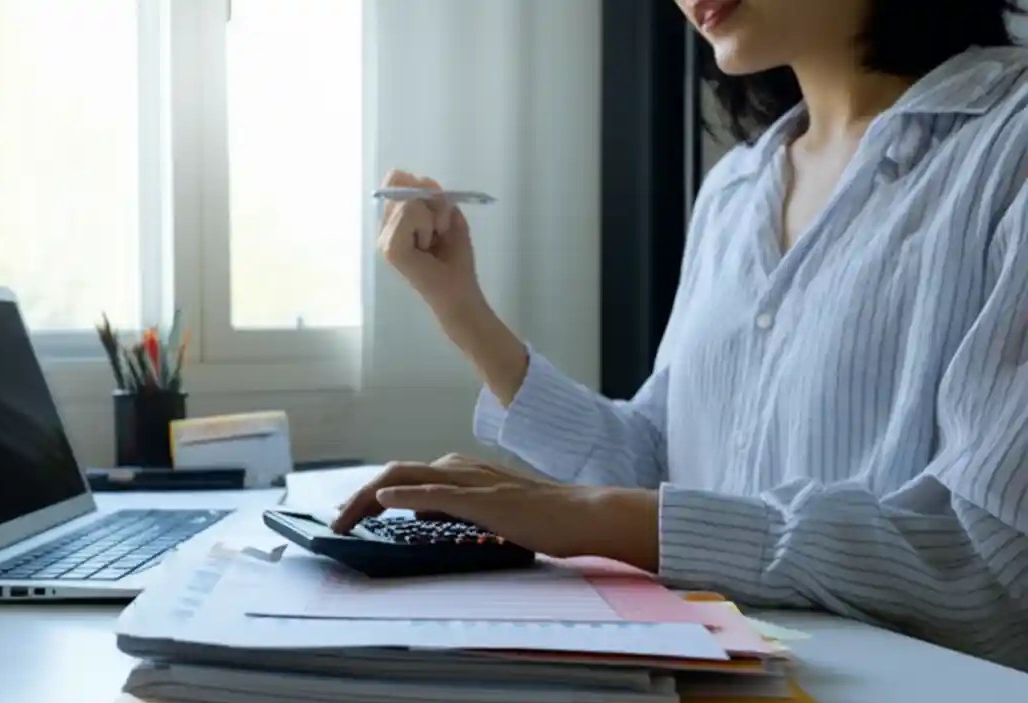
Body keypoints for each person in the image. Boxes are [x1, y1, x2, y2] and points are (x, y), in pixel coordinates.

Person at [333, 0, 1028, 669]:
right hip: (722, 682)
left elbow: (990, 563)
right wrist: (461, 310)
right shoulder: (735, 188)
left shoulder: (1009, 142)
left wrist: (588, 513)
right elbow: (661, 466)